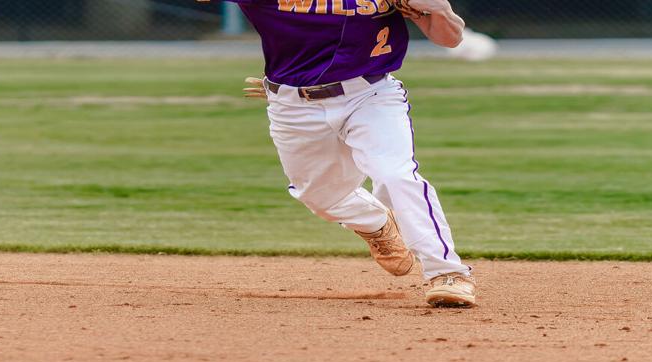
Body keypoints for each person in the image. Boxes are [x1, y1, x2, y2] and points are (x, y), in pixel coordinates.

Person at [198, 0, 477, 307]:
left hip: (370, 95)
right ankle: (375, 223)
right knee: (318, 196)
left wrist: (438, 10)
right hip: (292, 105)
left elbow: (451, 38)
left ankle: (448, 273)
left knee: (394, 175)